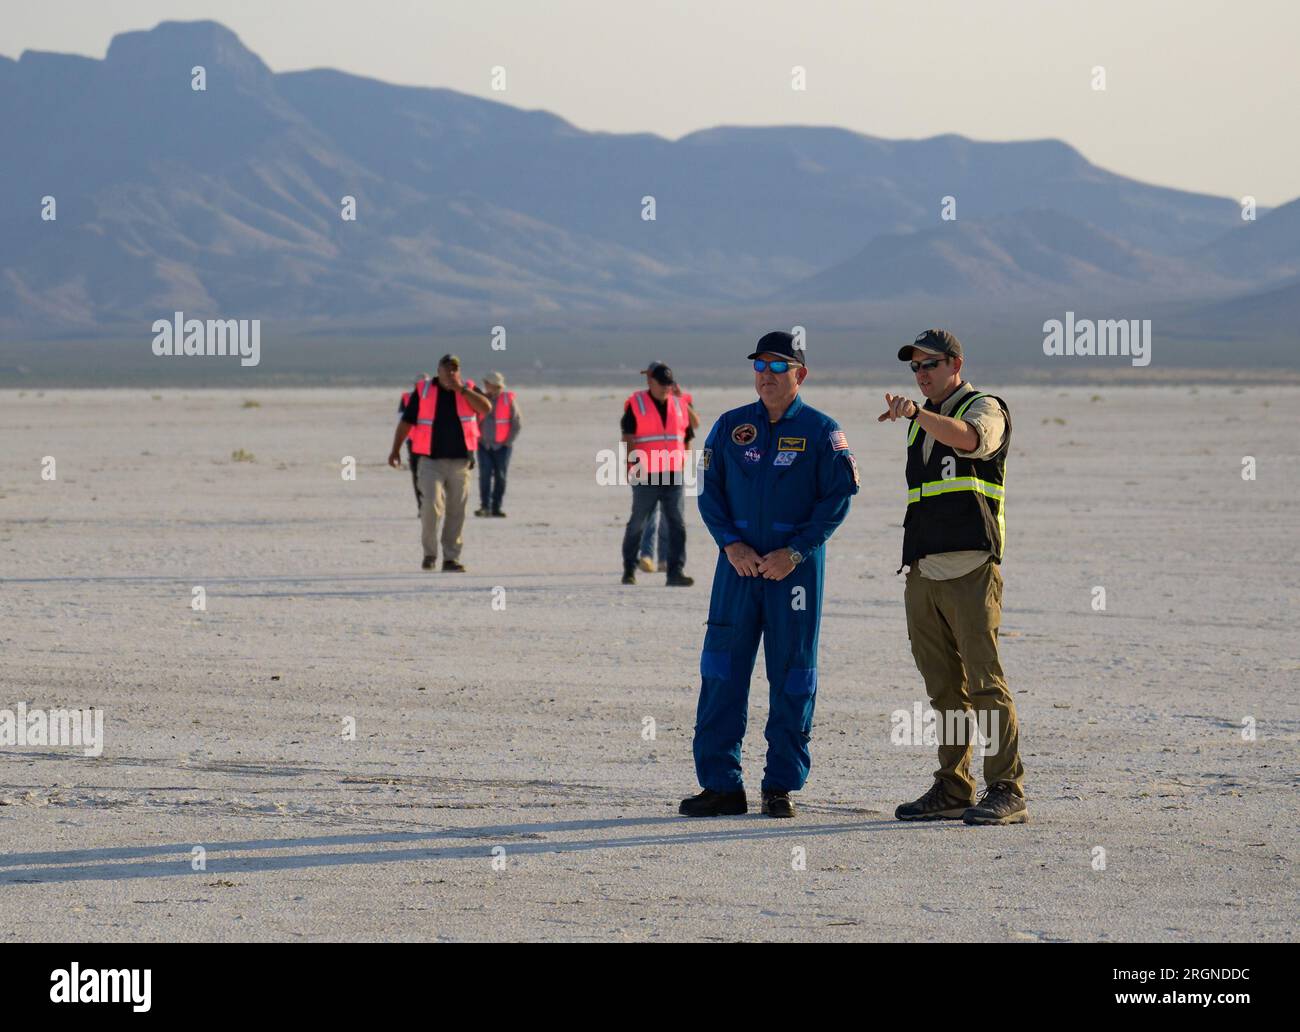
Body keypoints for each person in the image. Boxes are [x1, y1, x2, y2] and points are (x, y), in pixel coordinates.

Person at [680, 331, 859, 820]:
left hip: (793, 574)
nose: (767, 375)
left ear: (801, 374)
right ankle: (721, 786)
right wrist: (731, 544)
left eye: (779, 367)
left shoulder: (823, 432)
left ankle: (780, 786)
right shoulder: (730, 426)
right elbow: (709, 491)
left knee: (793, 675)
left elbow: (837, 499)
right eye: (760, 366)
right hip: (737, 569)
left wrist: (796, 552)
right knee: (721, 672)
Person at [878, 329, 1027, 826]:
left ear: (956, 363)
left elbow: (971, 442)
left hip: (970, 570)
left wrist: (920, 413)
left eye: (931, 365)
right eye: (915, 368)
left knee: (985, 682)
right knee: (943, 688)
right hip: (924, 572)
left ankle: (1006, 787)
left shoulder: (984, 408)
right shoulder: (920, 426)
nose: (922, 375)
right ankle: (953, 786)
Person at [388, 354, 491, 572]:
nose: (451, 373)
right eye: (447, 369)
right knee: (431, 506)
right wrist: (395, 449)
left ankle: (451, 558)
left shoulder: (468, 388)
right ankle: (430, 554)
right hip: (430, 461)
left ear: (459, 371)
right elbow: (406, 422)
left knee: (457, 510)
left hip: (461, 462)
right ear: (439, 370)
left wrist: (461, 390)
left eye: (454, 369)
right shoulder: (424, 390)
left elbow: (485, 408)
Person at [619, 364, 693, 586]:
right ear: (650, 382)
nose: (665, 388)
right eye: (662, 384)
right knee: (638, 524)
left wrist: (683, 460)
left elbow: (687, 435)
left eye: (668, 384)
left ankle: (675, 572)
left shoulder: (680, 404)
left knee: (677, 524)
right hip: (646, 474)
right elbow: (628, 436)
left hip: (673, 474)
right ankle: (629, 570)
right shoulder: (636, 403)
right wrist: (632, 463)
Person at [639, 374, 699, 571]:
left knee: (669, 516)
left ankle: (664, 559)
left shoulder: (682, 403)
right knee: (651, 513)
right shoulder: (646, 404)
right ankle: (646, 555)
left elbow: (691, 429)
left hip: (674, 467)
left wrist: (682, 400)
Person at [475, 371, 521, 518]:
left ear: (495, 385)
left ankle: (496, 507)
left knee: (500, 476)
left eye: (487, 383)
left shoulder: (508, 400)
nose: (485, 386)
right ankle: (485, 507)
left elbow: (517, 423)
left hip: (502, 447)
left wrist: (507, 442)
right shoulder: (480, 399)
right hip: (483, 445)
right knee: (485, 475)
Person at [399, 373, 429, 515]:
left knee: (434, 474)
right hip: (414, 442)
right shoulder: (406, 398)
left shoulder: (435, 397)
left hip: (432, 442)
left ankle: (433, 506)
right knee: (417, 475)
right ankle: (422, 507)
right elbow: (402, 420)